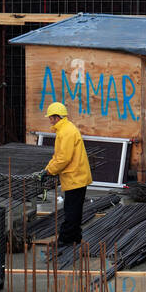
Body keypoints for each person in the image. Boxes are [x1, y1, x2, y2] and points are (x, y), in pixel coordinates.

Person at [37, 101, 93, 247]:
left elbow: (63, 159)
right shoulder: (65, 129)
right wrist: (47, 169)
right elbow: (58, 156)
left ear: (56, 117)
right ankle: (75, 237)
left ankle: (66, 239)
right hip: (75, 177)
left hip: (75, 177)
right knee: (74, 209)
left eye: (50, 117)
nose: (49, 120)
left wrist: (49, 171)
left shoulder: (66, 132)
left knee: (71, 210)